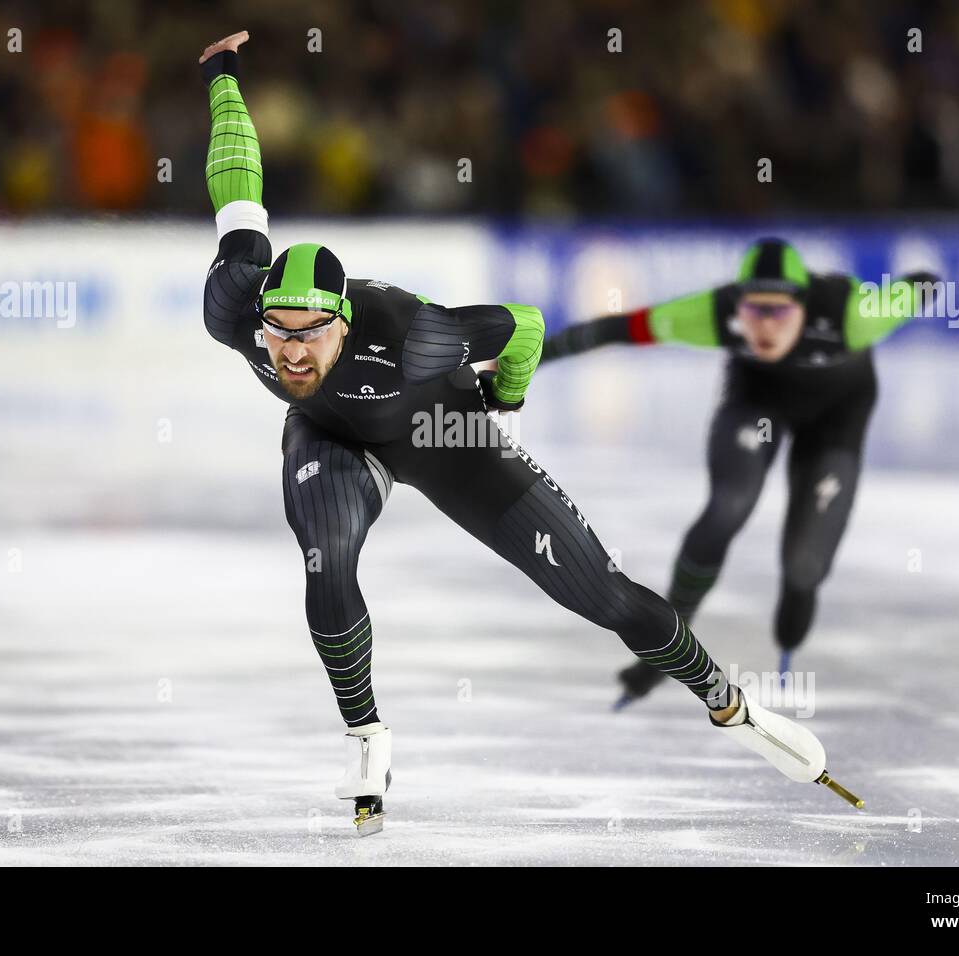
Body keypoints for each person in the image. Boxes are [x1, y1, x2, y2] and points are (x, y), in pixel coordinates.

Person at [197, 33, 848, 833]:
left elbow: (528, 326)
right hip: (331, 438)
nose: (291, 351)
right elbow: (239, 188)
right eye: (277, 333)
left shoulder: (414, 333)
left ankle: (726, 702)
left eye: (310, 334)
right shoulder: (235, 305)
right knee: (327, 563)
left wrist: (502, 400)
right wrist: (222, 73)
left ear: (343, 322)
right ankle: (366, 734)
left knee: (601, 593)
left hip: (442, 429)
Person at [541, 237, 936, 709]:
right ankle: (667, 639)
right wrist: (534, 354)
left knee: (804, 567)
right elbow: (621, 329)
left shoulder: (854, 314)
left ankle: (792, 624)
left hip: (837, 418)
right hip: (756, 403)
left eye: (779, 312)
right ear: (738, 304)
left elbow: (914, 289)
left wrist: (923, 284)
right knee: (728, 506)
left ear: (804, 306)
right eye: (754, 310)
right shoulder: (715, 311)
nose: (765, 326)